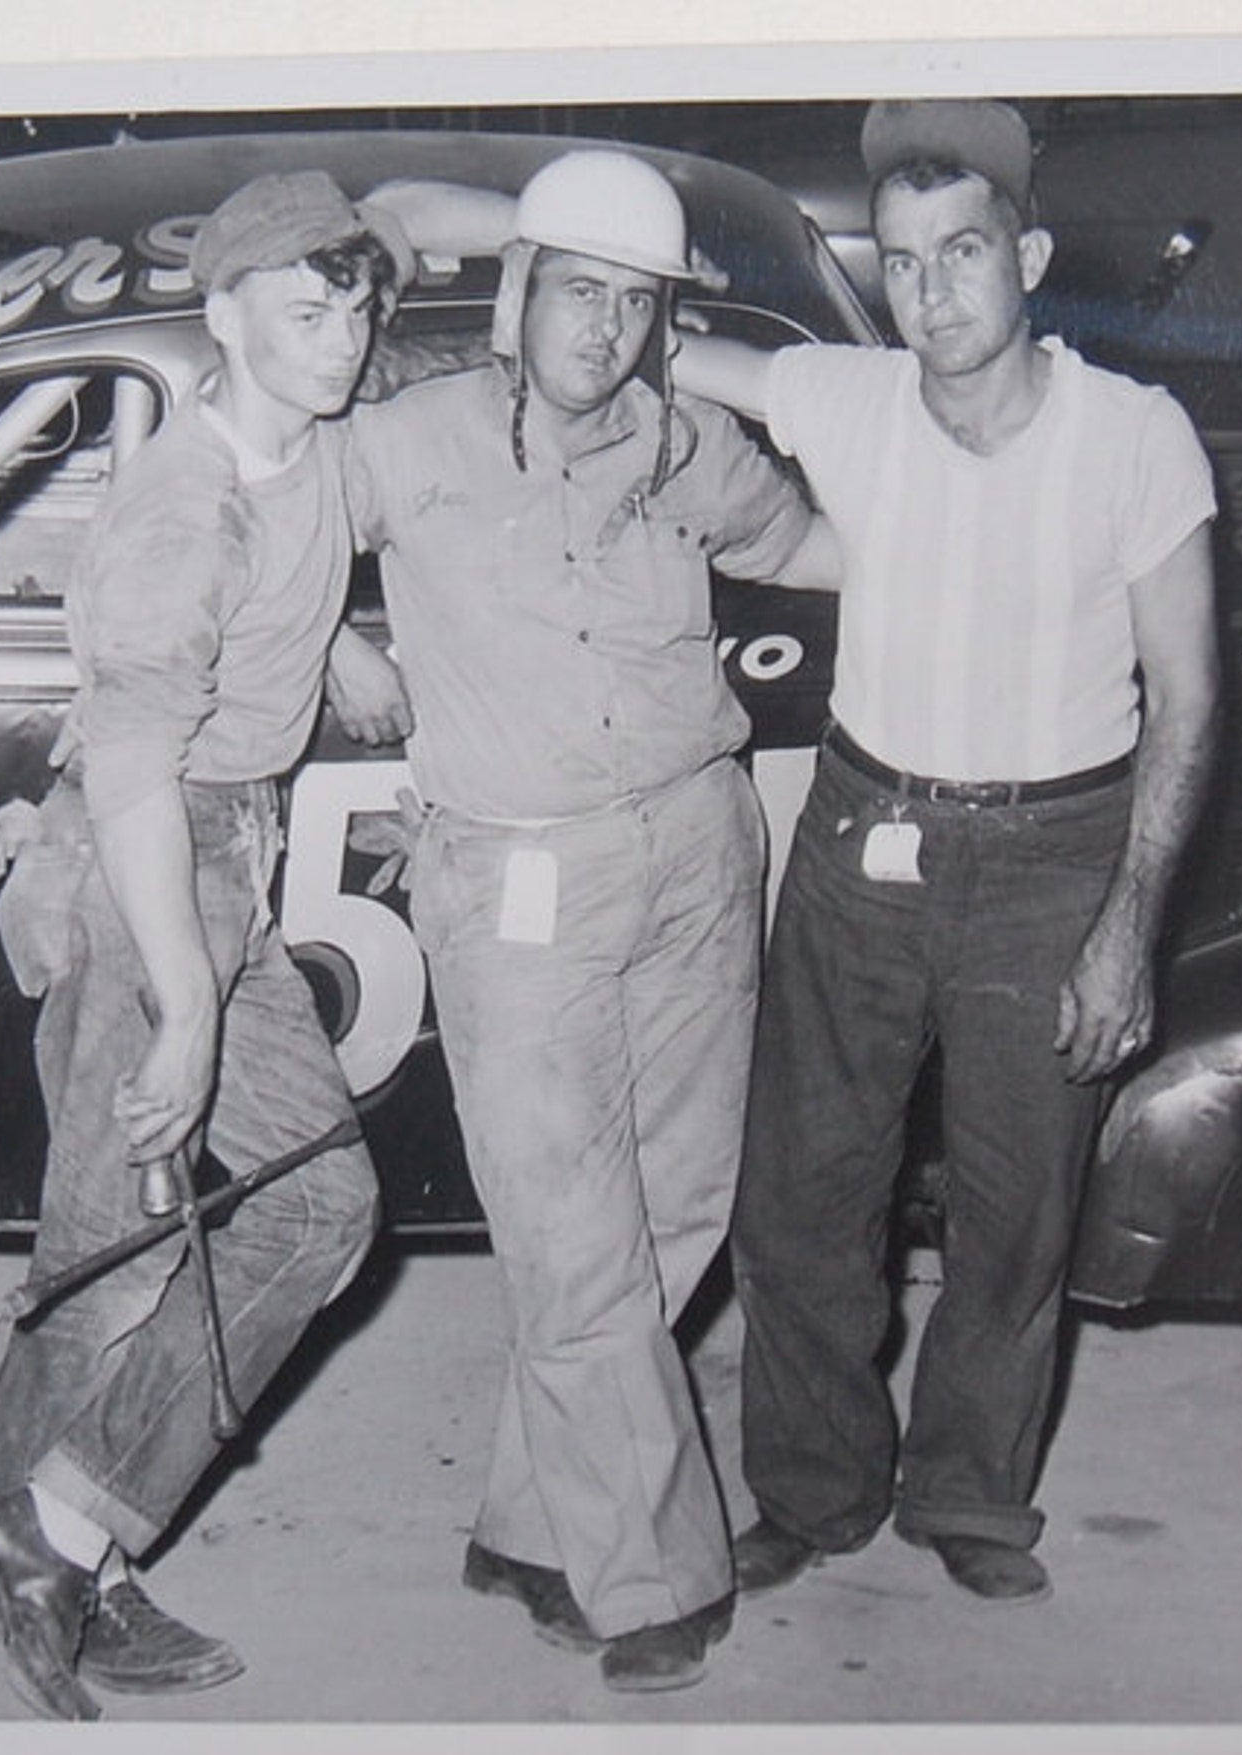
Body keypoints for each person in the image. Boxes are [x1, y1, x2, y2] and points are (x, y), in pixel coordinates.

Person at [675, 99, 1220, 1606]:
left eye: (962, 252)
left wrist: (1126, 927)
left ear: (1027, 256)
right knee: (800, 1197)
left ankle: (969, 1495)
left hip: (1057, 851)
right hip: (865, 832)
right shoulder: (843, 397)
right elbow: (649, 341)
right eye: (901, 261)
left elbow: (1188, 702)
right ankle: (812, 1487)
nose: (931, 292)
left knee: (1016, 1205)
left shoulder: (1135, 437)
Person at [330, 150, 835, 1692]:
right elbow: (360, 241)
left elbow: (812, 550)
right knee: (572, 1239)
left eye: (636, 302)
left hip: (698, 845)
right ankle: (651, 1575)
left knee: (677, 1203)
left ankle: (530, 1523)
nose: (605, 330)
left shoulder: (689, 447)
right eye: (577, 291)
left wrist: (1003, 581)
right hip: (519, 877)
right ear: (517, 299)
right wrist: (332, 637)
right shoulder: (402, 443)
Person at [0, 170, 414, 1720]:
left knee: (316, 1208)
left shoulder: (305, 439)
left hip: (220, 846)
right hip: (154, 867)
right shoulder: (181, 514)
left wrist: (329, 632)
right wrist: (188, 1012)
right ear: (222, 318)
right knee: (113, 1257)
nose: (344, 337)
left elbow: (400, 226)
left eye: (357, 305)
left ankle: (62, 1531)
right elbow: (143, 776)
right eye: (307, 310)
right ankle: (56, 1559)